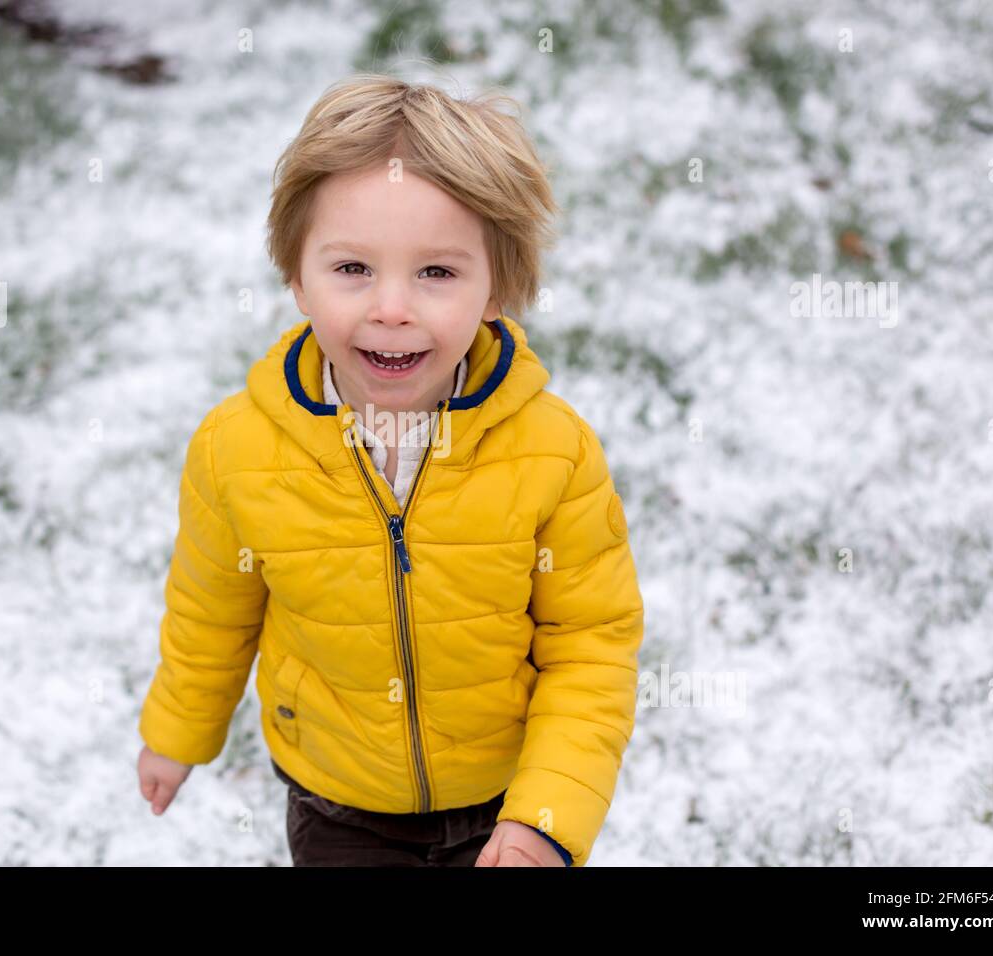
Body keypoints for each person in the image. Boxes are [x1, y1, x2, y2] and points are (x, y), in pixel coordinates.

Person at [136, 73, 644, 867]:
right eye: (352, 270)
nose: (392, 308)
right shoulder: (236, 450)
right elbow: (212, 613)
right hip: (338, 802)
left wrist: (545, 812)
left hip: (502, 799)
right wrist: (177, 734)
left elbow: (590, 646)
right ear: (296, 277)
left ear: (496, 289)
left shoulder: (554, 451)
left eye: (436, 273)